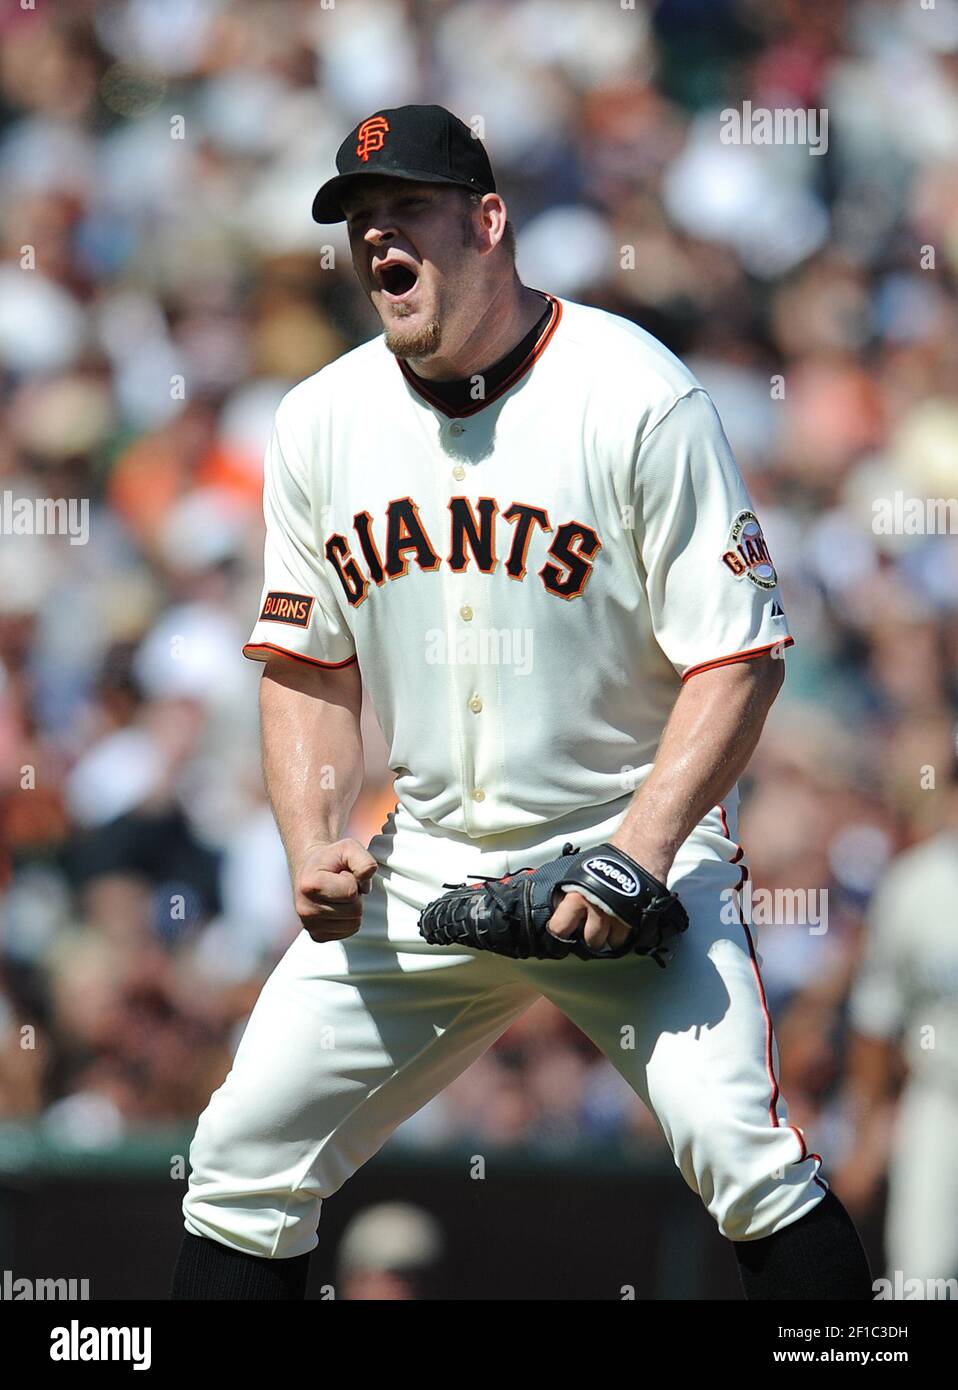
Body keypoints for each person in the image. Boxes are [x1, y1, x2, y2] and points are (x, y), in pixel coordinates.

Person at [171, 105, 871, 1300]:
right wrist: (311, 836)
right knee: (238, 1164)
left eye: (408, 209)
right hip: (427, 864)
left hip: (623, 843)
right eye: (360, 219)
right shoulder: (320, 420)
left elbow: (738, 657)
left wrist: (641, 849)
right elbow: (307, 664)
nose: (378, 238)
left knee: (742, 1158)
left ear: (488, 221)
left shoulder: (634, 393)